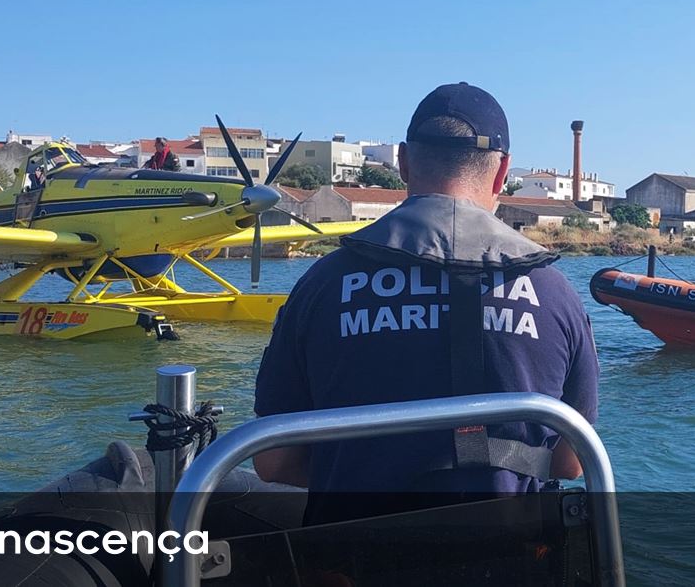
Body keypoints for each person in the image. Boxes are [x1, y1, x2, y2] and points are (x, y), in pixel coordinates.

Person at [253, 82, 599, 525]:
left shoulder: (321, 285)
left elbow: (273, 463)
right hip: (510, 559)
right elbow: (572, 462)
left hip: (348, 562)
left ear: (402, 162)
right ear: (503, 172)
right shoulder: (555, 295)